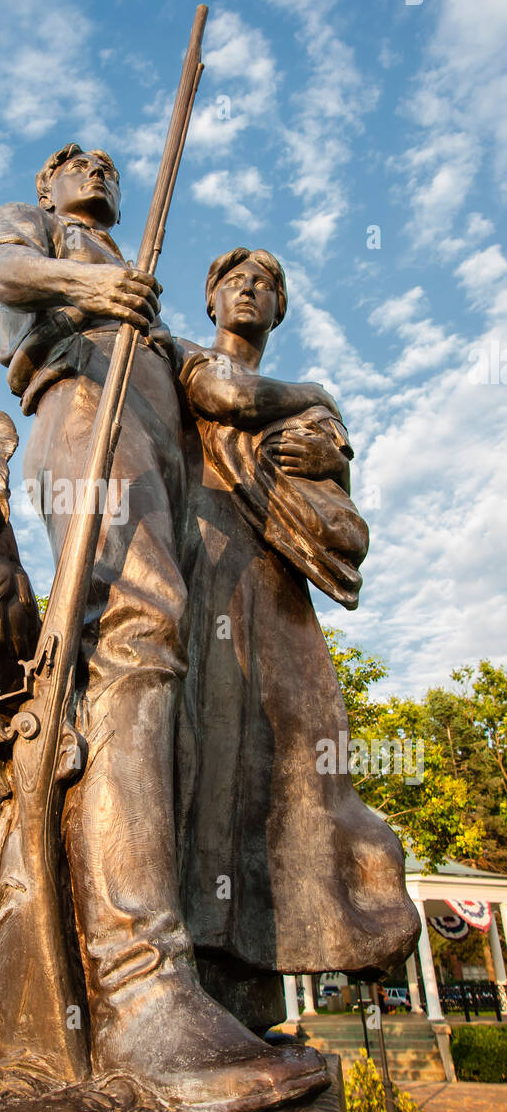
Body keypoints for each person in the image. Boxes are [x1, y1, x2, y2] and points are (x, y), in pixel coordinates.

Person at [0, 150, 327, 1112]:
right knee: (133, 634)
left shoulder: (153, 302)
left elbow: (226, 393)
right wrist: (92, 284)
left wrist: (316, 410)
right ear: (47, 188)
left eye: (107, 164)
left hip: (155, 461)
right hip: (86, 421)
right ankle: (138, 987)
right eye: (72, 162)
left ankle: (185, 977)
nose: (93, 170)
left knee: (160, 657)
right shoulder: (49, 237)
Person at [174, 247, 420, 1031]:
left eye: (268, 286)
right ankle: (180, 965)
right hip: (187, 574)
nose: (250, 290)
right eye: (236, 280)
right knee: (189, 765)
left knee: (287, 770)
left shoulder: (311, 418)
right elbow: (222, 394)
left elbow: (337, 505)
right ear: (210, 295)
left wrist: (332, 456)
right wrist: (316, 395)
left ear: (279, 310)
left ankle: (254, 968)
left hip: (271, 593)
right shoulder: (177, 359)